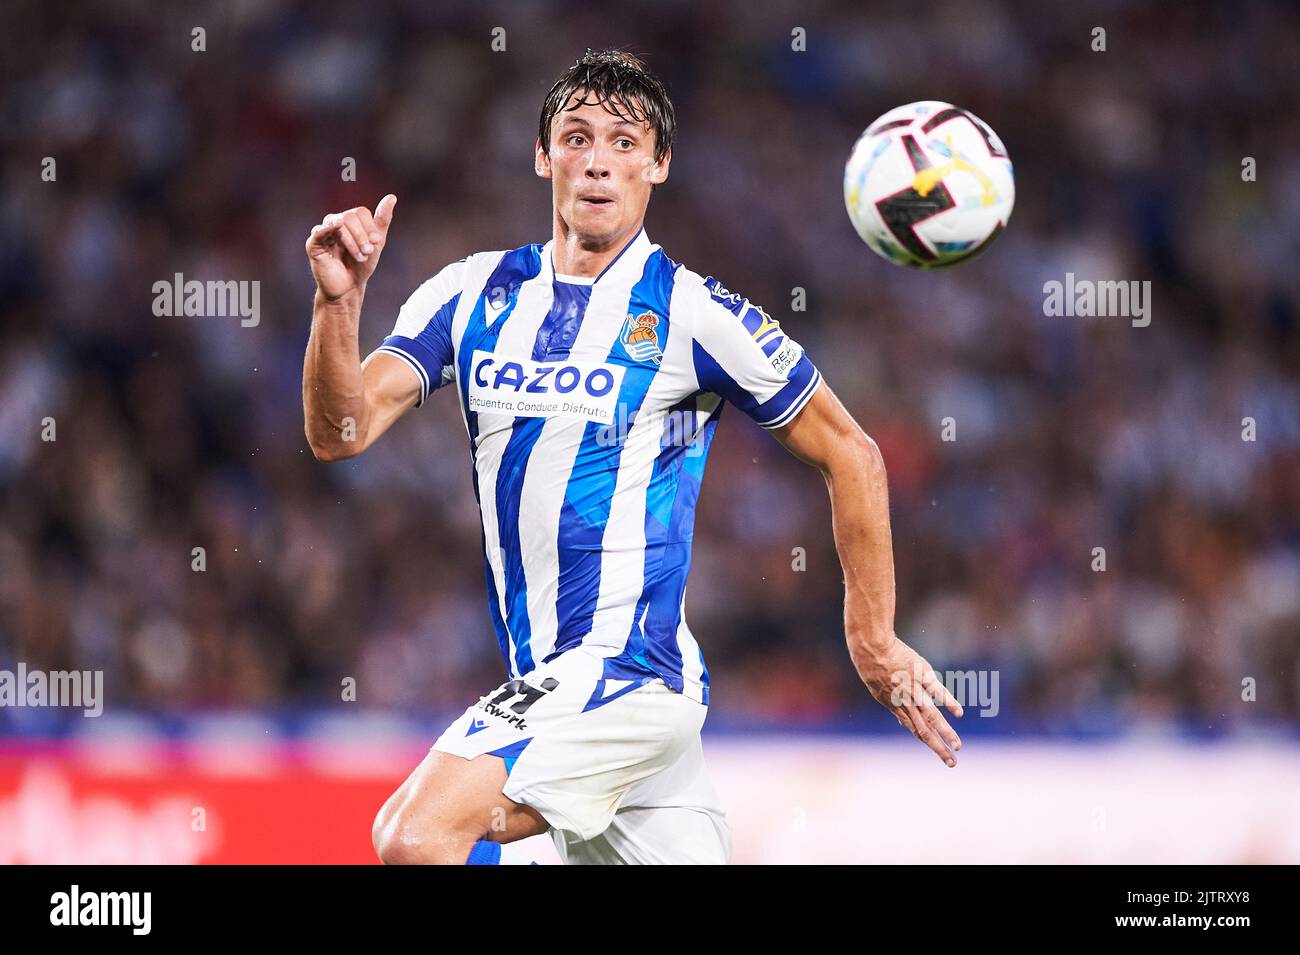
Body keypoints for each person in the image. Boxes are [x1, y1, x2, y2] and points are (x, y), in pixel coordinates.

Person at [302, 48, 962, 865]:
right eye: (576, 138)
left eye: (624, 141)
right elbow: (340, 430)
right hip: (569, 691)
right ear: (544, 156)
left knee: (415, 834)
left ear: (659, 164)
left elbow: (851, 450)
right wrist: (340, 305)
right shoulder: (471, 293)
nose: (598, 163)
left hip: (628, 673)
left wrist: (873, 637)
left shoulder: (693, 312)